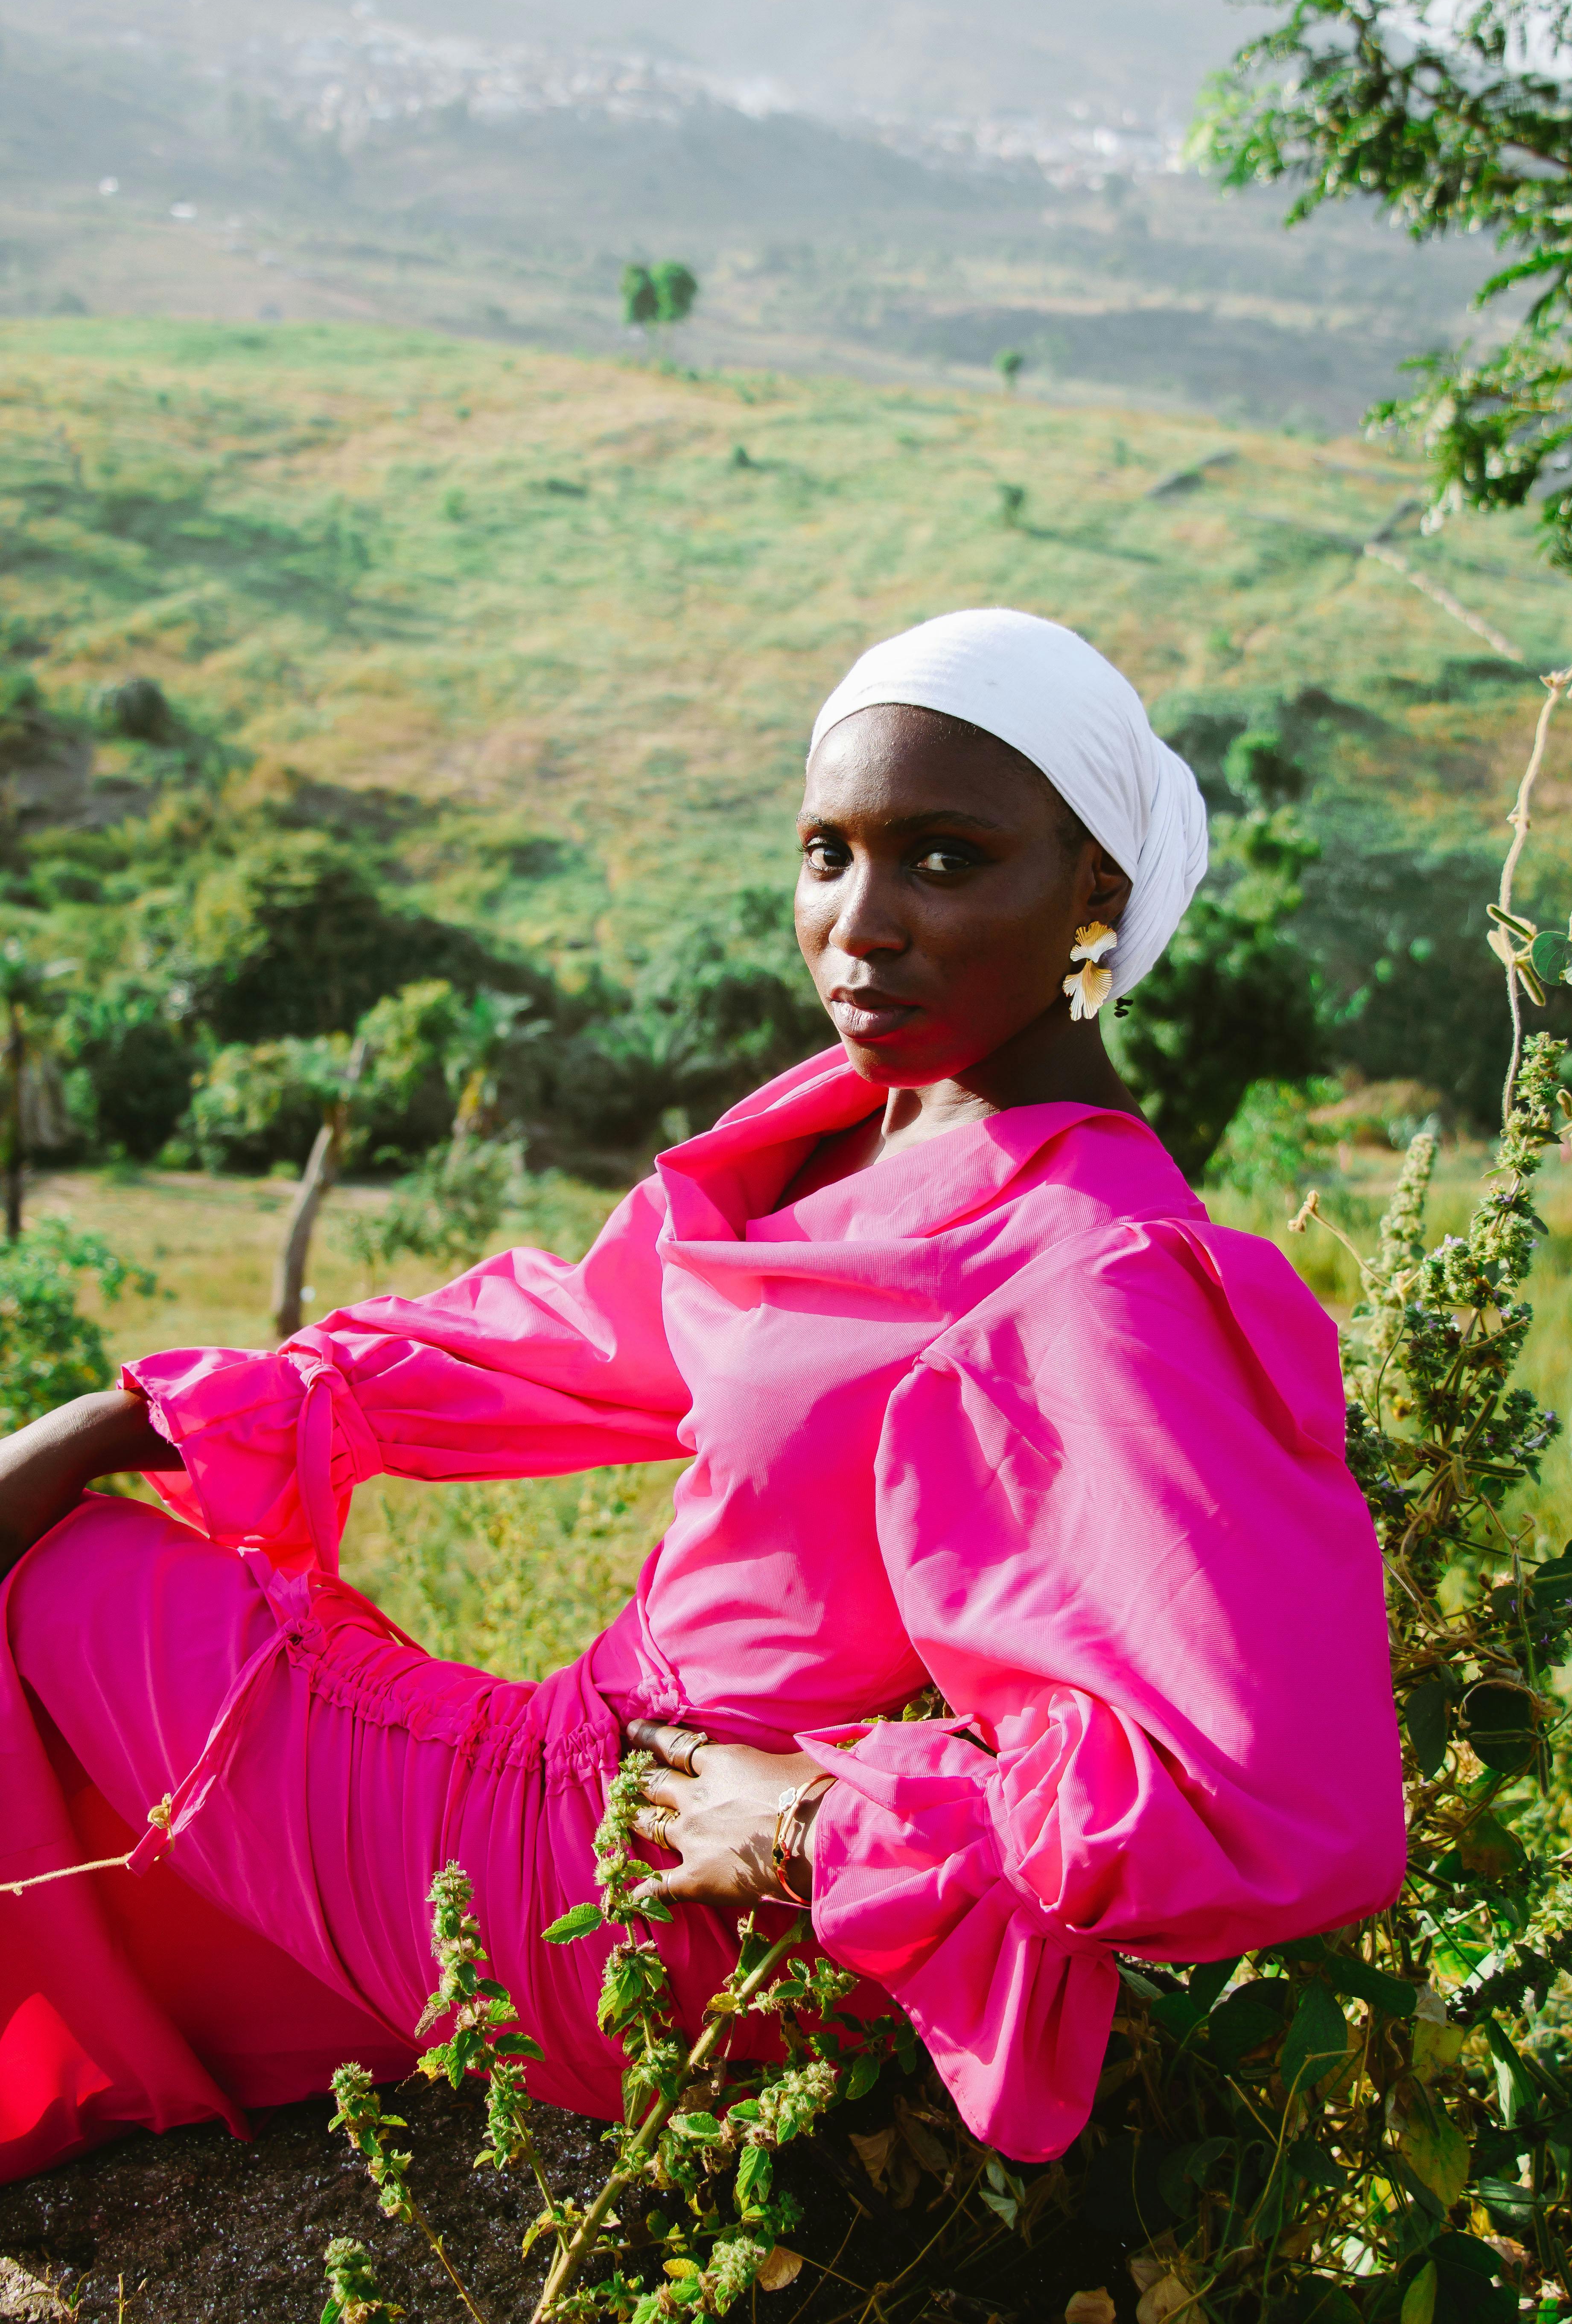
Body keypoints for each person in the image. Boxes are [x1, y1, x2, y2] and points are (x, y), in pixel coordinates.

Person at [0, 607, 1404, 2184]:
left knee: (53, 1578)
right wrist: (133, 1417)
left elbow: (1278, 1808)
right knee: (72, 1525)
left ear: (1096, 888)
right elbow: (587, 1337)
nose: (858, 924)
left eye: (943, 858)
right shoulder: (869, 1121)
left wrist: (821, 1827)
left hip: (654, 1909)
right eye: (827, 853)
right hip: (570, 1788)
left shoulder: (1098, 1271)